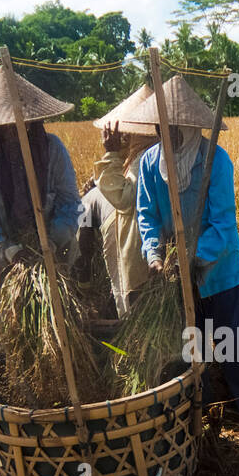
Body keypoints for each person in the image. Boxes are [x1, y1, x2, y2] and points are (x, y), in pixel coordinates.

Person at [123, 75, 239, 421]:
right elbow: (146, 216)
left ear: (189, 126)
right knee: (191, 342)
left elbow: (222, 222)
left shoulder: (215, 161)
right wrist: (156, 256)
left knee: (232, 340)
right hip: (174, 275)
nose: (165, 135)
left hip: (218, 271)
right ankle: (201, 407)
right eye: (160, 128)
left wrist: (195, 259)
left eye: (173, 128)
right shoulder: (148, 164)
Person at [0, 65, 80, 333]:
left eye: (21, 122)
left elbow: (70, 204)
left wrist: (52, 242)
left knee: (58, 330)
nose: (14, 129)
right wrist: (10, 251)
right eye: (6, 124)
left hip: (53, 260)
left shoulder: (52, 149)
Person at [82, 84, 157, 315]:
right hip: (148, 243)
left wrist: (111, 152)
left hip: (139, 245)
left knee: (137, 309)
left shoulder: (144, 156)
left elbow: (124, 198)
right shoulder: (151, 152)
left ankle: (83, 275)